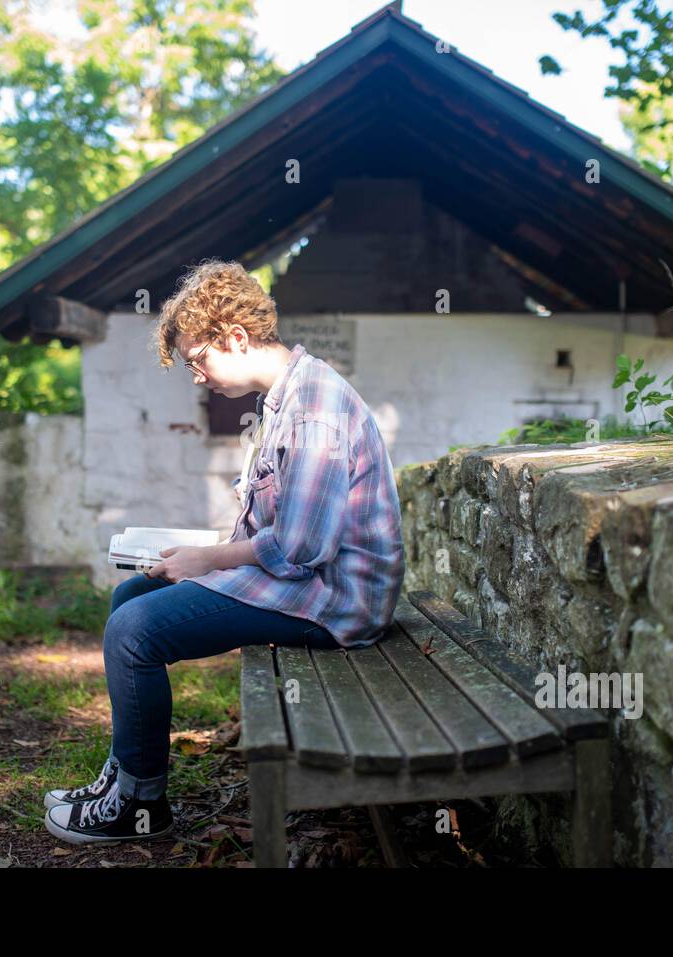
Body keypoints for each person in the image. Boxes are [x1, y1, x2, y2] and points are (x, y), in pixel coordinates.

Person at [44, 260, 405, 846]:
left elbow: (302, 547)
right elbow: (277, 528)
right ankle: (125, 775)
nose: (195, 377)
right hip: (309, 581)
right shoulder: (283, 398)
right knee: (132, 592)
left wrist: (207, 561)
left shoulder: (316, 407)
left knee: (134, 631)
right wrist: (199, 550)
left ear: (235, 337)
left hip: (337, 602)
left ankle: (139, 804)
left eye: (196, 360)